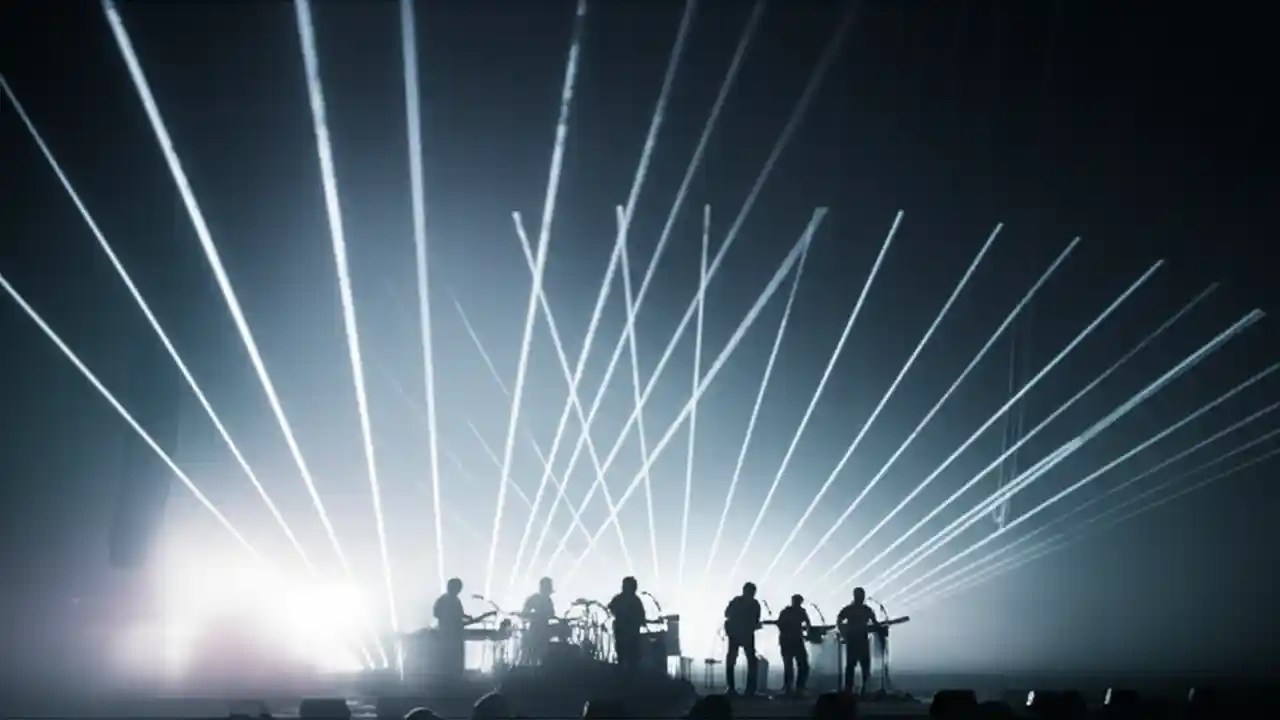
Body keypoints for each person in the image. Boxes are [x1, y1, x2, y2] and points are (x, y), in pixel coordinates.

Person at [835, 587, 877, 695]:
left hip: (858, 640)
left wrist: (843, 633)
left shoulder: (857, 609)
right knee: (856, 665)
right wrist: (843, 633)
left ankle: (858, 689)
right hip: (856, 640)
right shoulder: (859, 609)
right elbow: (839, 620)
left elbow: (839, 620)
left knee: (859, 666)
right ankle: (854, 689)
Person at [723, 582, 762, 697]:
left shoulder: (737, 601)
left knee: (733, 660)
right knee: (749, 661)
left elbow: (727, 613)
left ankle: (732, 688)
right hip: (743, 634)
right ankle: (749, 689)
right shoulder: (753, 604)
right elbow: (756, 620)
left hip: (737, 634)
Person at [432, 577, 473, 676]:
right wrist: (450, 618)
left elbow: (460, 614)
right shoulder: (443, 600)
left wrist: (467, 617)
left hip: (455, 633)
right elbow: (436, 613)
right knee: (448, 657)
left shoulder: (456, 600)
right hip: (446, 634)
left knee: (456, 657)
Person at [607, 576, 646, 671]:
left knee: (625, 654)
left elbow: (611, 608)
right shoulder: (635, 600)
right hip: (627, 631)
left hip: (625, 631)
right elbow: (641, 617)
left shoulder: (621, 598)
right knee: (629, 655)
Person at [776, 593, 812, 696]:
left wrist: (806, 633)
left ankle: (793, 688)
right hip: (790, 641)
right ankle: (794, 687)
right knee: (794, 665)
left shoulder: (795, 612)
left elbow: (807, 623)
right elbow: (807, 624)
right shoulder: (791, 612)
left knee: (795, 665)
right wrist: (806, 633)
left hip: (791, 640)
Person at [521, 577, 557, 664]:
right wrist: (536, 615)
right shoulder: (534, 598)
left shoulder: (549, 601)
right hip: (534, 631)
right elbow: (525, 613)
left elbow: (551, 615)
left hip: (544, 631)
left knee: (542, 654)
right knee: (531, 653)